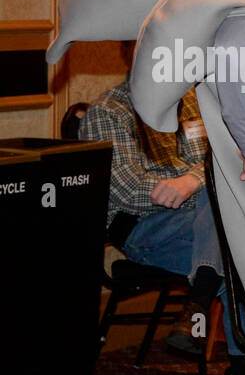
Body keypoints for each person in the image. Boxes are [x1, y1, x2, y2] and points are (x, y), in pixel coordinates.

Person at [79, 80, 224, 354]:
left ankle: (199, 303)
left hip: (200, 223)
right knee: (241, 244)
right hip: (142, 227)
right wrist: (197, 183)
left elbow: (214, 160)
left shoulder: (191, 100)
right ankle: (243, 370)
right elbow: (130, 192)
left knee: (236, 255)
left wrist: (193, 181)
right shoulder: (108, 112)